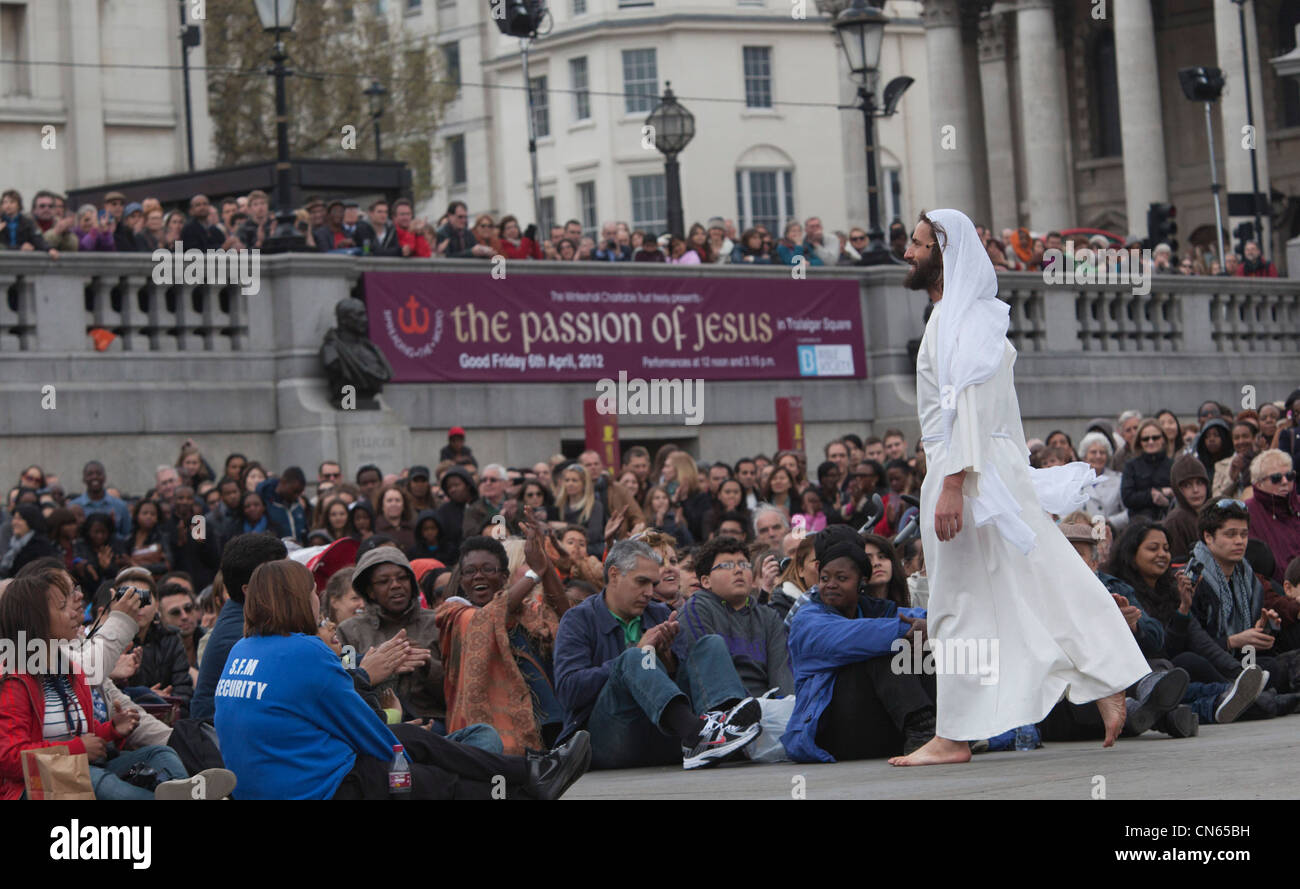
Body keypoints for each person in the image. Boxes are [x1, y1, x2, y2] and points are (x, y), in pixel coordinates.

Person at [891, 208, 1150, 767]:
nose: (907, 253)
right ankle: (1106, 672)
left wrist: (955, 484)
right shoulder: (955, 315)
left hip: (969, 471)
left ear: (943, 250)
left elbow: (972, 408)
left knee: (957, 605)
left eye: (916, 244)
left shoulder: (966, 319)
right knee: (1041, 576)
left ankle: (954, 737)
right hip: (981, 468)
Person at [214, 558, 590, 799]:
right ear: (296, 599)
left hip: (265, 786)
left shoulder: (243, 650)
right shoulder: (303, 651)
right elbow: (369, 732)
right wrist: (411, 766)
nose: (317, 600)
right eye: (314, 592)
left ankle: (532, 770)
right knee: (433, 779)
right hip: (316, 789)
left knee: (413, 741)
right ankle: (530, 782)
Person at [553, 539, 763, 770]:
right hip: (610, 739)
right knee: (636, 657)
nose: (649, 592)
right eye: (641, 582)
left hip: (664, 734)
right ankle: (698, 737)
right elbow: (568, 691)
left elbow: (687, 678)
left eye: (653, 584)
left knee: (710, 645)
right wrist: (635, 655)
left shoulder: (660, 613)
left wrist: (668, 661)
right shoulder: (578, 619)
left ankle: (727, 730)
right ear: (614, 575)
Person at [0, 574, 205, 800]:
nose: (74, 611)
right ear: (36, 620)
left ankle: (188, 795)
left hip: (82, 770)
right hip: (32, 786)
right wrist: (76, 749)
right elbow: (9, 758)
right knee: (96, 781)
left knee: (159, 754)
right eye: (62, 607)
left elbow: (79, 734)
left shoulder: (71, 671)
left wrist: (112, 729)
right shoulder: (14, 680)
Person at [783, 529, 934, 762]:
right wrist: (914, 630)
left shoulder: (875, 608)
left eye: (841, 578)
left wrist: (933, 626)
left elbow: (921, 617)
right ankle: (923, 732)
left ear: (862, 582)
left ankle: (945, 728)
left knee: (927, 648)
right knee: (884, 649)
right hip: (830, 733)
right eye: (824, 578)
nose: (830, 585)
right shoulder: (807, 619)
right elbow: (859, 636)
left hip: (877, 729)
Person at [436, 525, 569, 754]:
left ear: (505, 577)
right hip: (482, 731)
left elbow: (564, 615)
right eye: (470, 571)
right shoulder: (453, 613)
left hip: (537, 718)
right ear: (462, 579)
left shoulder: (524, 611)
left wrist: (544, 565)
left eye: (488, 569)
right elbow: (484, 619)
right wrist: (533, 574)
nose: (478, 575)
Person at [672, 536, 794, 698]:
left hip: (769, 710)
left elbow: (781, 674)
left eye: (744, 564)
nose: (738, 570)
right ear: (706, 581)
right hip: (721, 708)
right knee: (712, 644)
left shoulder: (768, 617)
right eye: (727, 565)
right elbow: (707, 674)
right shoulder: (697, 609)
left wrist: (784, 709)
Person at [337, 548, 444, 723]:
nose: (395, 585)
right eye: (383, 581)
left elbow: (460, 691)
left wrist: (427, 664)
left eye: (402, 578)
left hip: (435, 724)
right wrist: (374, 663)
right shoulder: (348, 632)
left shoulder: (437, 624)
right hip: (378, 727)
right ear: (370, 591)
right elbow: (341, 686)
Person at [191, 533, 289, 721]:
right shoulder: (246, 637)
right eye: (284, 576)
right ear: (250, 589)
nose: (294, 582)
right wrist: (356, 670)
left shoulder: (251, 616)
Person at [1244, 451, 1300, 586]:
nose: (1285, 482)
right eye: (1276, 478)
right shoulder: (1246, 512)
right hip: (1274, 593)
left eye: (1289, 475)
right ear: (1258, 484)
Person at [1121, 419, 1175, 522]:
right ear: (1139, 442)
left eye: (1155, 438)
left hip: (1168, 519)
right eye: (1145, 439)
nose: (1151, 442)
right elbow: (1127, 497)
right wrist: (1155, 494)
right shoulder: (1131, 466)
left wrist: (1167, 501)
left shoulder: (1173, 465)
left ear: (1163, 439)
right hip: (1139, 521)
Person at [1164, 454, 1210, 562]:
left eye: (1199, 483)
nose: (1195, 490)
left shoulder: (1212, 514)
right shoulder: (1176, 521)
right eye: (1187, 485)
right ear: (1177, 488)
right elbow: (1176, 565)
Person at [0, 504, 57, 579]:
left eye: (20, 519)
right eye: (14, 518)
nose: (15, 522)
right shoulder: (15, 543)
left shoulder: (39, 545)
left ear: (30, 521)